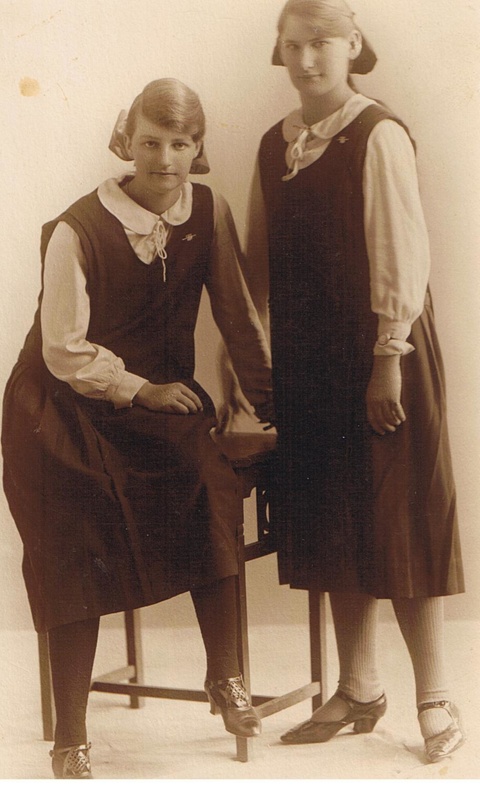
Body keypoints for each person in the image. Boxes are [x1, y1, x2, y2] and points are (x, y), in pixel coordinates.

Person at [1, 78, 273, 779]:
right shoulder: (76, 228)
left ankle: (226, 676)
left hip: (151, 407)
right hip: (59, 407)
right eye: (150, 142)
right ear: (127, 141)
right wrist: (142, 389)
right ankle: (71, 735)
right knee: (74, 523)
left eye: (180, 144)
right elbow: (64, 351)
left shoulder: (207, 211)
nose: (165, 159)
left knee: (209, 479)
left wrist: (272, 405)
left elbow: (239, 318)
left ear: (197, 148)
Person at [245, 0, 465, 764]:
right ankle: (359, 687)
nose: (307, 60)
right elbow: (257, 263)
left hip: (383, 359)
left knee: (400, 523)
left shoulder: (378, 134)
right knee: (335, 522)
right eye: (293, 45)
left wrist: (387, 359)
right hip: (310, 364)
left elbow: (402, 255)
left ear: (352, 45)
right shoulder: (274, 144)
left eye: (322, 43)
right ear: (280, 51)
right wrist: (248, 358)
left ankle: (434, 697)